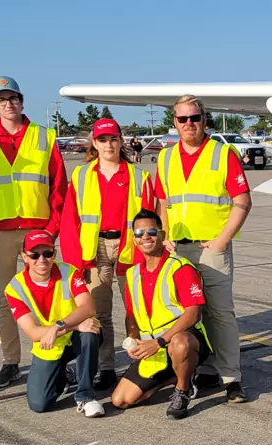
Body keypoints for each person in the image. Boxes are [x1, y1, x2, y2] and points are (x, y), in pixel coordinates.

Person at [0, 76, 66, 389]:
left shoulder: (44, 137)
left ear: (22, 101)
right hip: (1, 234)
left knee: (51, 295)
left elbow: (59, 188)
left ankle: (53, 356)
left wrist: (50, 232)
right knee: (5, 299)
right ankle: (11, 363)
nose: (9, 104)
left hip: (39, 231)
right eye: (2, 100)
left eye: (14, 98)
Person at [154, 94, 250, 404]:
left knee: (220, 313)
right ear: (175, 123)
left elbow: (243, 202)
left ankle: (231, 377)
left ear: (204, 119)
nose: (189, 124)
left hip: (211, 247)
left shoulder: (223, 154)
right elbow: (163, 202)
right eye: (183, 119)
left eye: (195, 118)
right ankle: (205, 367)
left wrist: (222, 240)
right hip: (178, 250)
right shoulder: (165, 158)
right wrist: (164, 234)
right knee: (189, 314)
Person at [54, 118, 154, 390]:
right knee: (100, 312)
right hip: (94, 250)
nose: (108, 144)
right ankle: (107, 367)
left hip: (128, 248)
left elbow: (148, 220)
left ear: (121, 141)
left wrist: (148, 255)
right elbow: (70, 220)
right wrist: (76, 260)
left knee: (138, 309)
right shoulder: (81, 175)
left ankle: (143, 361)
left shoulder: (139, 176)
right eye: (102, 139)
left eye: (113, 139)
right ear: (94, 144)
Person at [110, 210, 210, 420]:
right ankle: (174, 375)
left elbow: (193, 314)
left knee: (180, 344)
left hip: (182, 339)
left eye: (151, 231)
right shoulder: (132, 274)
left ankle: (182, 391)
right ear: (134, 238)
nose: (145, 236)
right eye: (139, 232)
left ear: (162, 235)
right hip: (154, 349)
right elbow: (131, 315)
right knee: (120, 400)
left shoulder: (180, 268)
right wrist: (132, 339)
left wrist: (160, 341)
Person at [5, 229, 105, 417]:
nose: (41, 259)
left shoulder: (69, 272)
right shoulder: (15, 288)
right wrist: (65, 327)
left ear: (54, 254)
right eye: (34, 255)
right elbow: (33, 333)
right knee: (39, 404)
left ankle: (86, 396)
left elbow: (88, 308)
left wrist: (60, 326)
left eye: (47, 253)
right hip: (50, 343)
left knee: (90, 331)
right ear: (24, 257)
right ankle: (62, 374)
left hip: (75, 336)